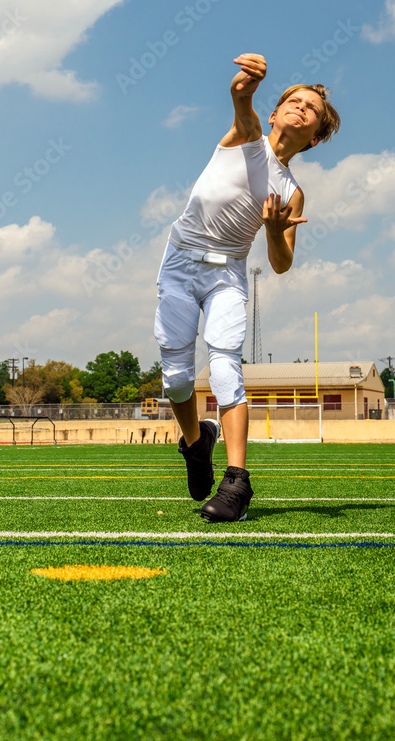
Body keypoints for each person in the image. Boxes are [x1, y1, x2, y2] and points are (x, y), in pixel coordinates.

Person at [154, 53, 340, 521]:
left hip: (228, 275)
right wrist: (249, 82)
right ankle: (197, 444)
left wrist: (274, 230)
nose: (300, 108)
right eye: (293, 101)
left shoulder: (293, 191)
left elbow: (280, 264)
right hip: (179, 262)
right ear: (275, 114)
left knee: (224, 370)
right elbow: (240, 98)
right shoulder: (246, 137)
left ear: (314, 137)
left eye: (311, 108)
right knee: (175, 379)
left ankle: (236, 481)